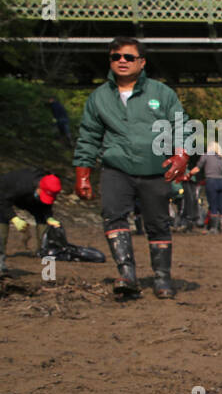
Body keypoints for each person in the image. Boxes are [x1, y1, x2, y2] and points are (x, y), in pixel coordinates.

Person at [73, 36, 188, 299]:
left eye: (128, 57)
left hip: (155, 168)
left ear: (142, 62)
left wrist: (181, 154)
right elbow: (89, 136)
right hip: (116, 167)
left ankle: (162, 279)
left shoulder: (162, 94)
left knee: (158, 223)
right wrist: (83, 172)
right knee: (113, 216)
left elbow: (181, 124)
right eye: (116, 57)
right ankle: (127, 275)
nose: (122, 61)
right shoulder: (98, 98)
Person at [0, 170, 62, 277]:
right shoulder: (21, 186)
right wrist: (14, 219)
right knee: (2, 219)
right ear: (39, 187)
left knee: (43, 219)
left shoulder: (49, 185)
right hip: (4, 195)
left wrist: (49, 217)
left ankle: (43, 251)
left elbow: (46, 205)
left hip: (29, 199)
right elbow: (2, 202)